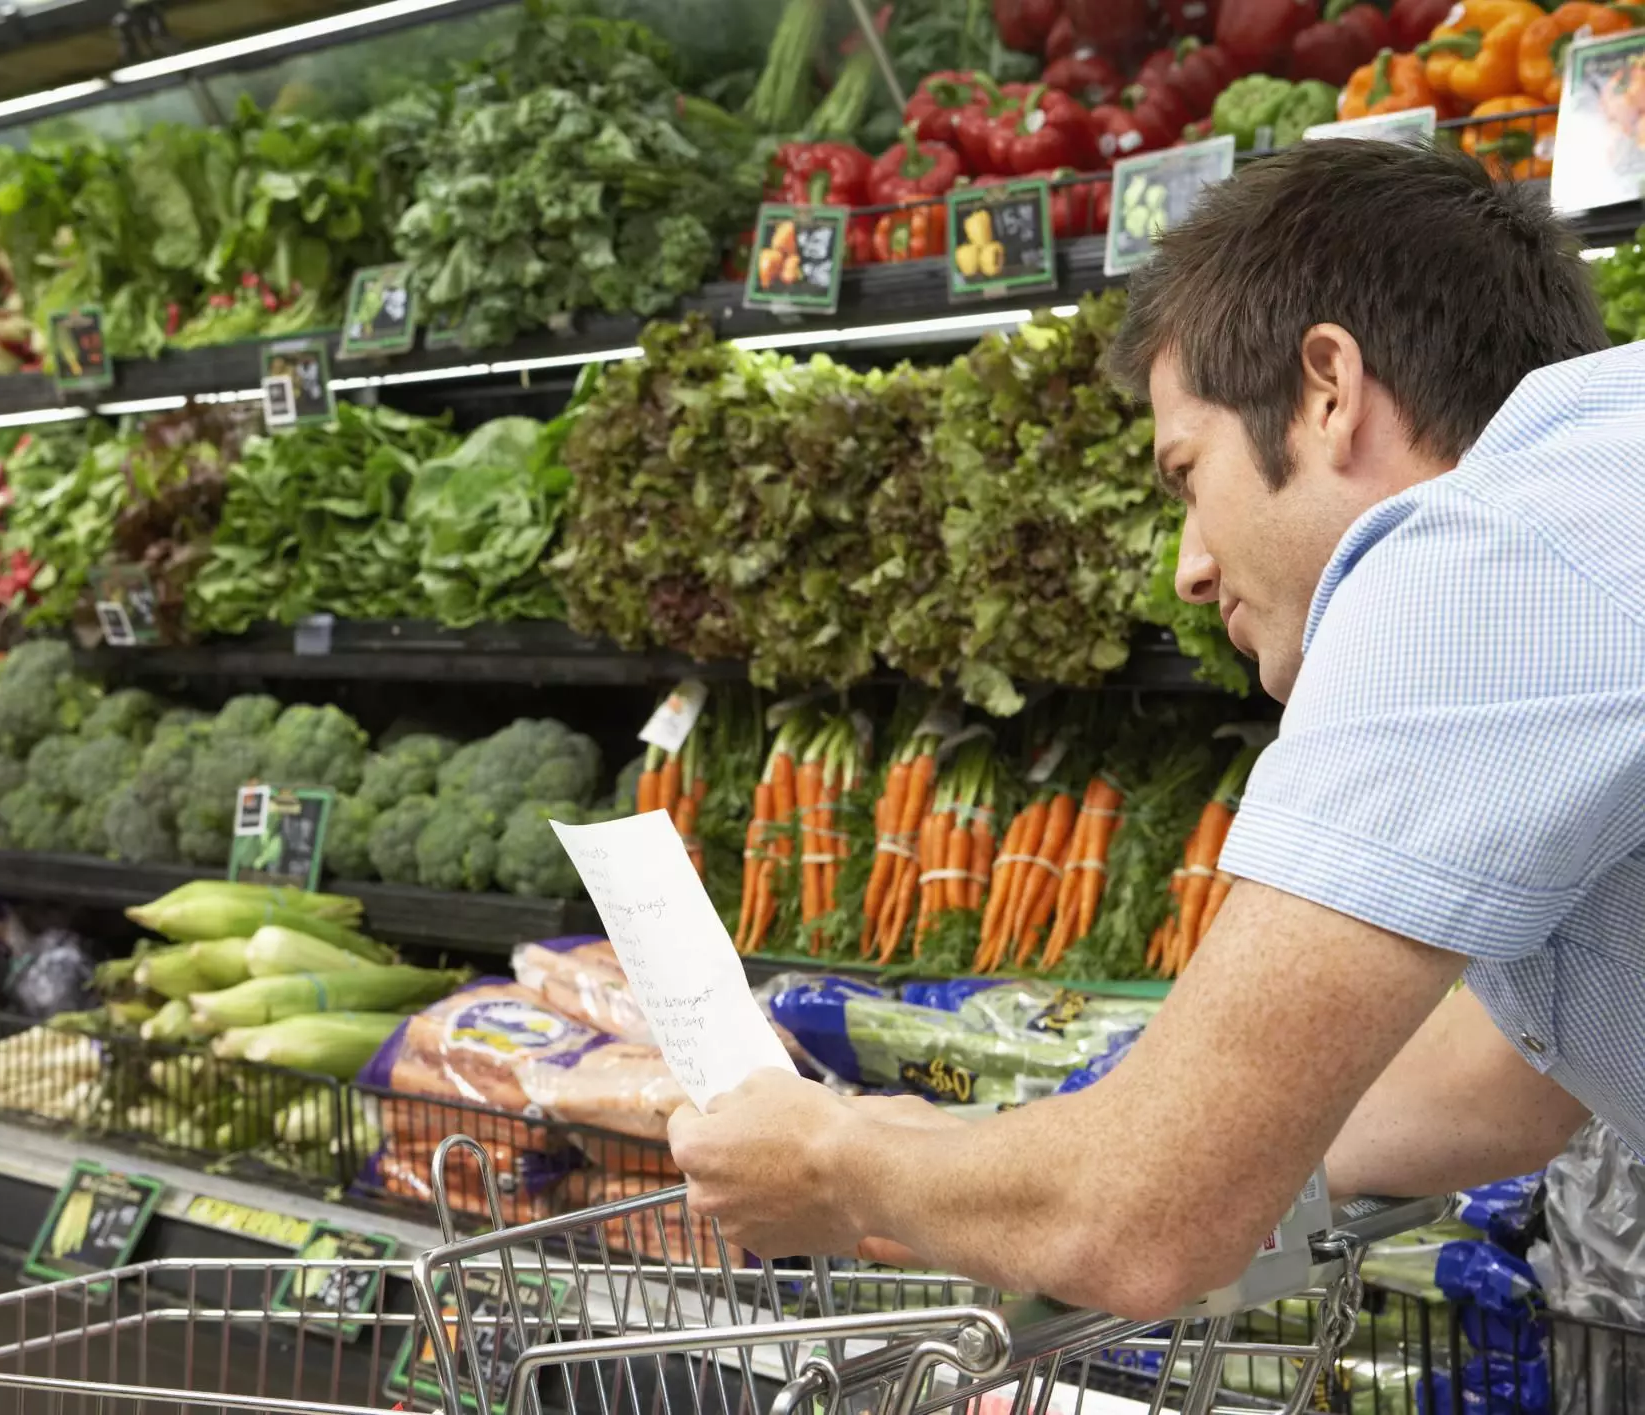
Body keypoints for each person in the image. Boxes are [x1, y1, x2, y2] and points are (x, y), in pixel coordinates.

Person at [667, 139, 1642, 1320]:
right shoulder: (1586, 501)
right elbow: (1509, 1083)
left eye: (1187, 473)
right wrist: (1035, 1146)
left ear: (1327, 388)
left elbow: (1141, 1221)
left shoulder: (1486, 555)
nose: (1188, 567)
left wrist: (834, 1164)